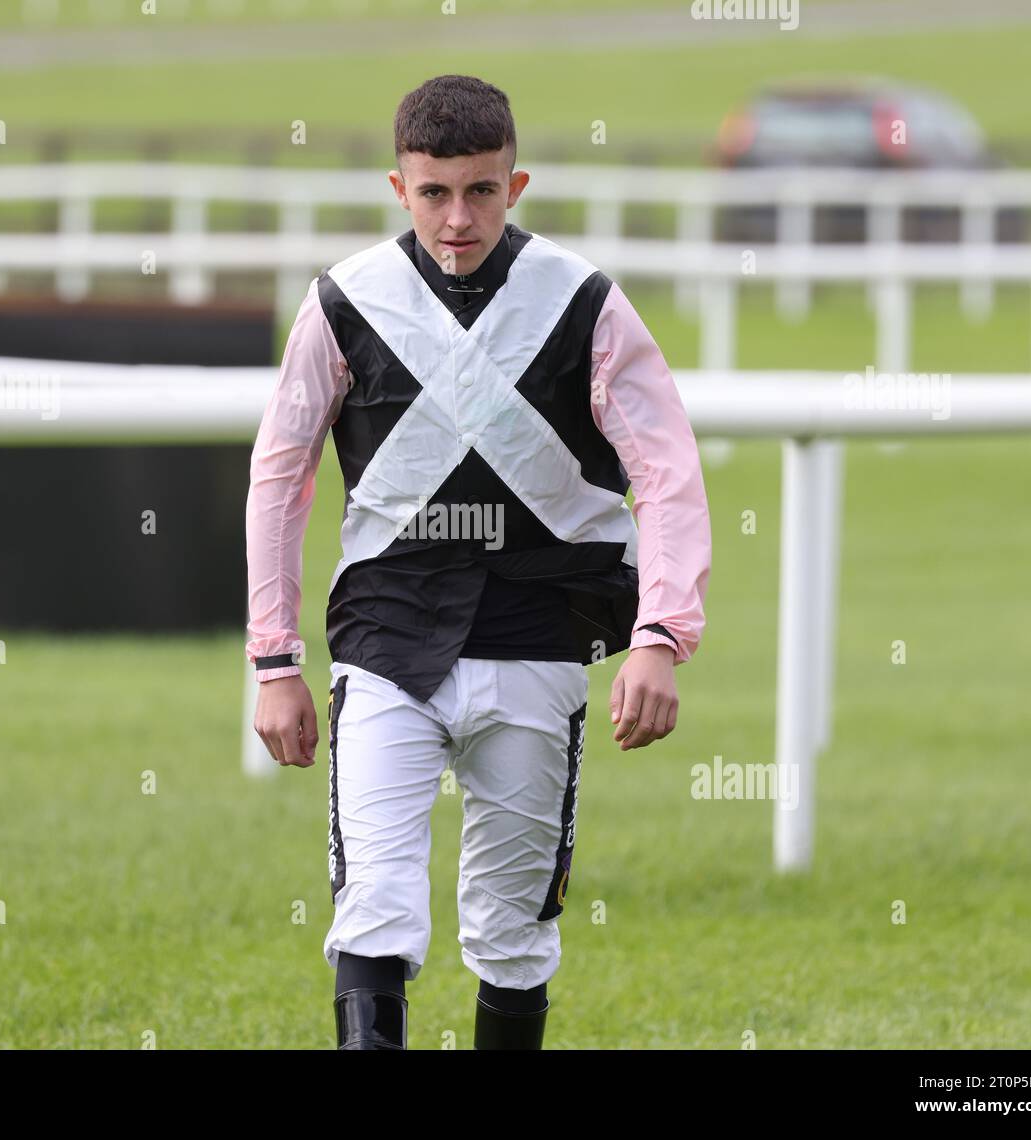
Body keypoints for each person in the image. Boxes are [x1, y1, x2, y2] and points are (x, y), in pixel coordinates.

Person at [245, 74, 711, 1050]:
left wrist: (661, 635)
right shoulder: (344, 302)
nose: (457, 220)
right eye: (433, 193)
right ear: (397, 186)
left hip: (538, 638)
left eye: (481, 192)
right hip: (385, 642)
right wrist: (274, 660)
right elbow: (279, 475)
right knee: (372, 907)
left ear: (516, 181)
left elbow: (664, 472)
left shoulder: (583, 302)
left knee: (511, 934)